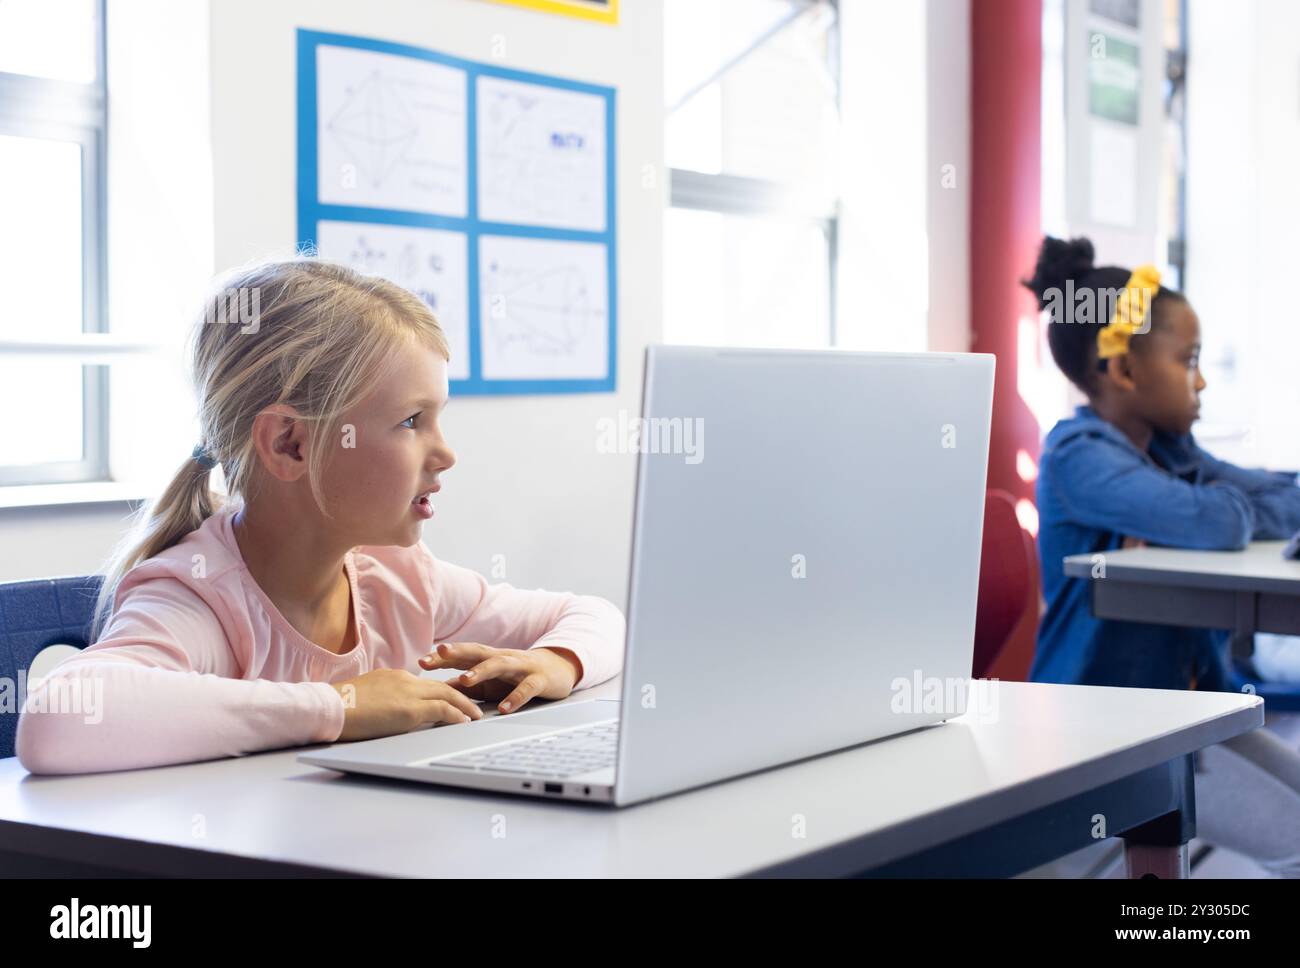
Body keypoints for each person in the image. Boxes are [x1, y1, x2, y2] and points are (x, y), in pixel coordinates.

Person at [16, 258, 625, 775]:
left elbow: (594, 615)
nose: (447, 453)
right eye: (413, 422)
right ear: (290, 445)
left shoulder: (399, 575)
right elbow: (59, 719)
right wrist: (339, 706)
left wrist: (555, 662)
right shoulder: (200, 597)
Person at [1025, 235, 1300, 877]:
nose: (1201, 380)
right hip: (1105, 732)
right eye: (1189, 359)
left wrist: (1218, 508)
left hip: (1187, 715)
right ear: (1123, 371)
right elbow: (1218, 519)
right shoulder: (1079, 457)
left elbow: (1283, 496)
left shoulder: (1173, 454)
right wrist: (1221, 509)